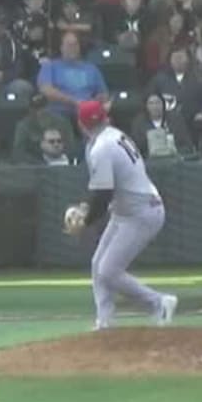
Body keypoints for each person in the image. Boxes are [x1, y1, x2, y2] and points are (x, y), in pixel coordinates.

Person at [61, 100, 180, 330]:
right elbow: (102, 190)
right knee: (98, 265)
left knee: (108, 271)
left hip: (141, 212)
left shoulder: (101, 147)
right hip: (130, 209)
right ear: (105, 118)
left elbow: (104, 193)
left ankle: (159, 303)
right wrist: (86, 209)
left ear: (80, 124)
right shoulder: (111, 136)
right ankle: (104, 321)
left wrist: (85, 221)